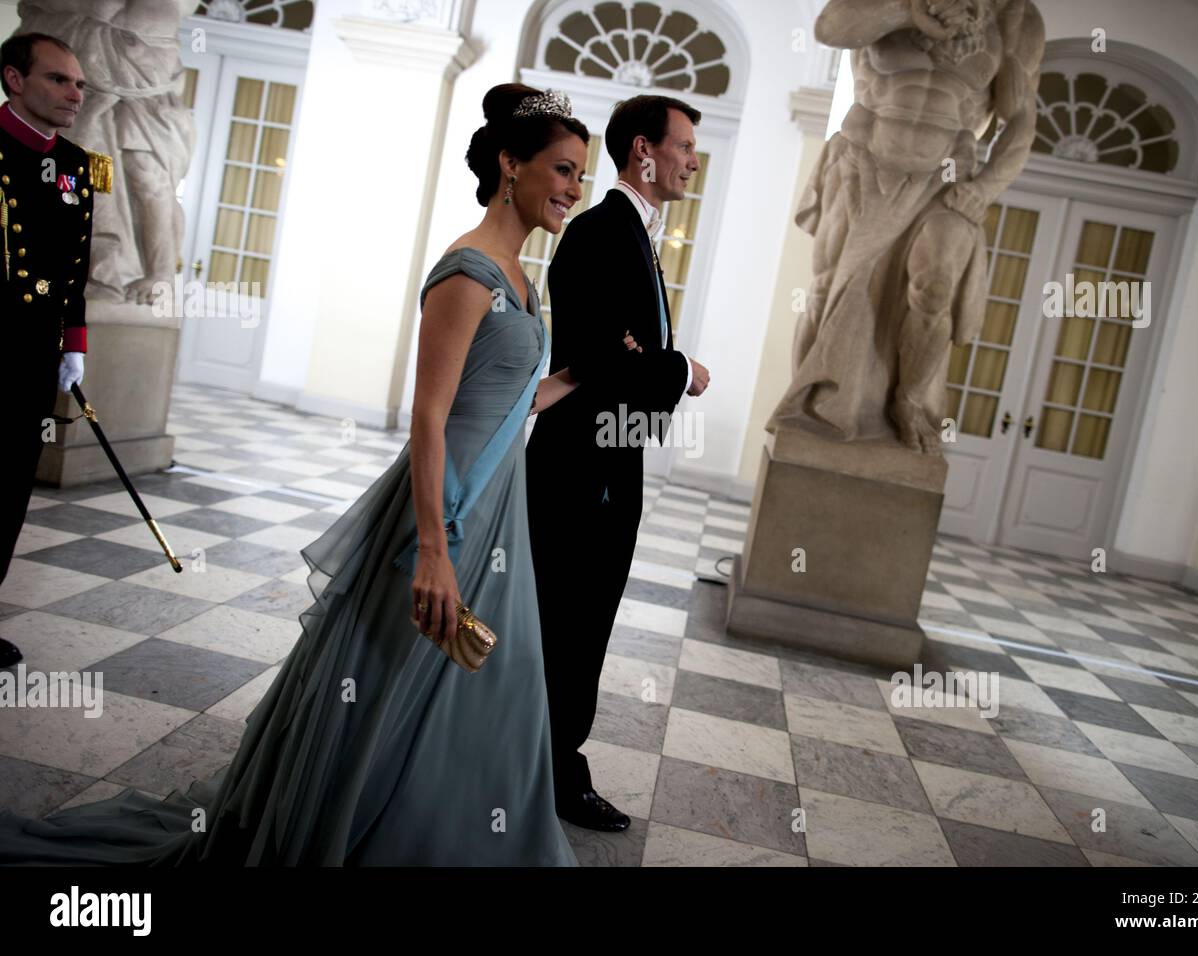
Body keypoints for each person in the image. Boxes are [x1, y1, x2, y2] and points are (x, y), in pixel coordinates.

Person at [0, 83, 622, 865]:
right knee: (397, 680)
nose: (573, 188)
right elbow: (429, 416)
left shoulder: (523, 279)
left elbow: (505, 401)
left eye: (579, 174)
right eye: (563, 170)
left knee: (485, 685)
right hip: (444, 512)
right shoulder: (468, 273)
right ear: (510, 164)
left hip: (498, 510)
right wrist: (433, 548)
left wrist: (583, 376)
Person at [527, 95, 711, 831]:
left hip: (610, 460)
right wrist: (676, 370)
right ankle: (553, 772)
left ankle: (548, 762)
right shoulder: (602, 232)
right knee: (568, 623)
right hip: (582, 470)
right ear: (645, 149)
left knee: (581, 622)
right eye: (684, 145)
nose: (693, 160)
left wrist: (645, 359)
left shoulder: (638, 235)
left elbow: (619, 354)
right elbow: (602, 358)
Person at [0, 33, 103, 669]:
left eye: (80, 84)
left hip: (34, 355)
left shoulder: (78, 165)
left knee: (10, 487)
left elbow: (77, 265)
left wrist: (74, 344)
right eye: (59, 80)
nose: (74, 94)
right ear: (14, 79)